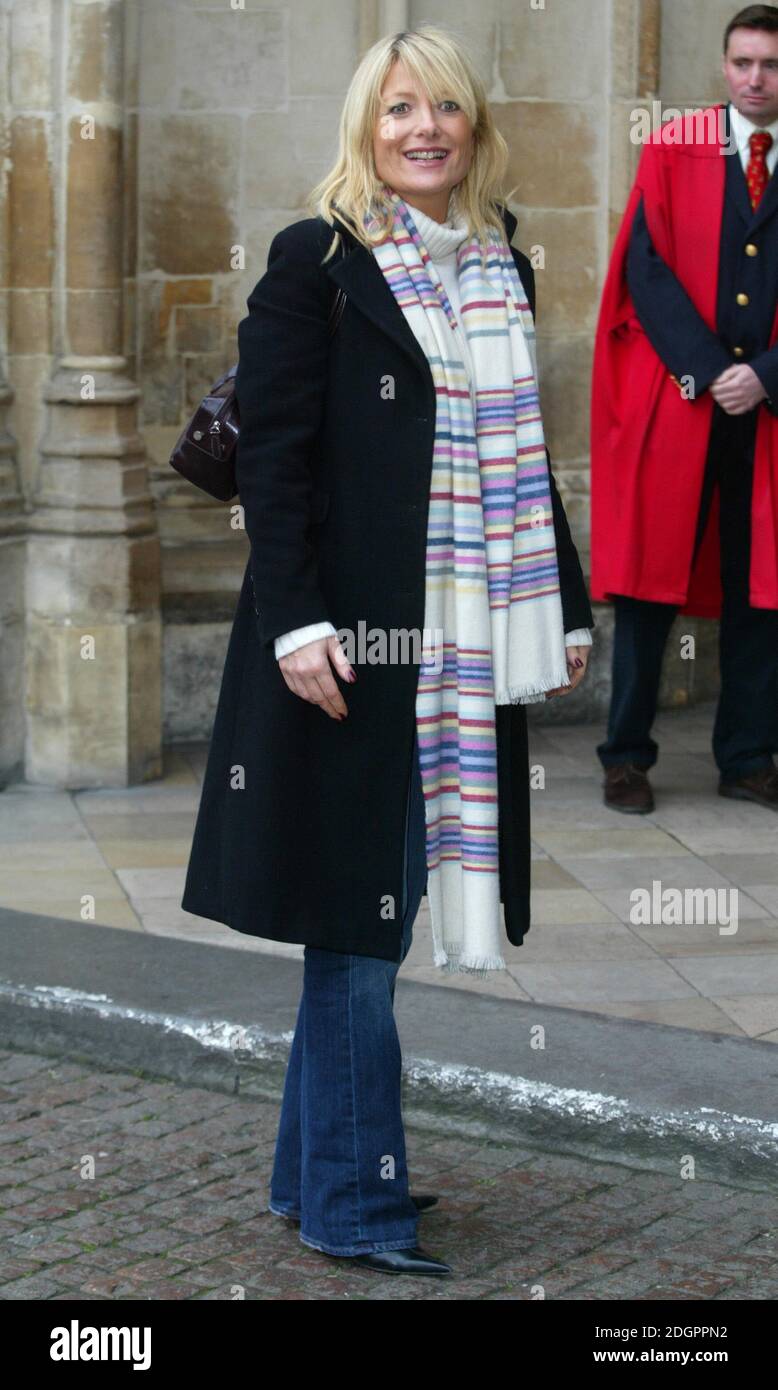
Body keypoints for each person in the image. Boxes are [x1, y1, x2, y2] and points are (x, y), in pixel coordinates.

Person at [182, 25, 593, 1276]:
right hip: (348, 649)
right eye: (400, 108)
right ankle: (355, 1199)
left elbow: (525, 462)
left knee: (365, 914)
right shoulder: (318, 260)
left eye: (446, 110)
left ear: (473, 127)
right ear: (368, 125)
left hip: (459, 647)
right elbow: (275, 459)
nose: (425, 129)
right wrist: (298, 620)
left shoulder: (501, 266)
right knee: (358, 921)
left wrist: (564, 603)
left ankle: (315, 1179)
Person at [591, 3, 778, 815]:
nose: (755, 78)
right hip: (684, 406)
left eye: (770, 64)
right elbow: (645, 266)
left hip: (769, 418)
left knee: (760, 592)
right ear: (724, 64)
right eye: (743, 62)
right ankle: (625, 756)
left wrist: (767, 374)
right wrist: (710, 369)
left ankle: (745, 756)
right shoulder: (676, 148)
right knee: (649, 588)